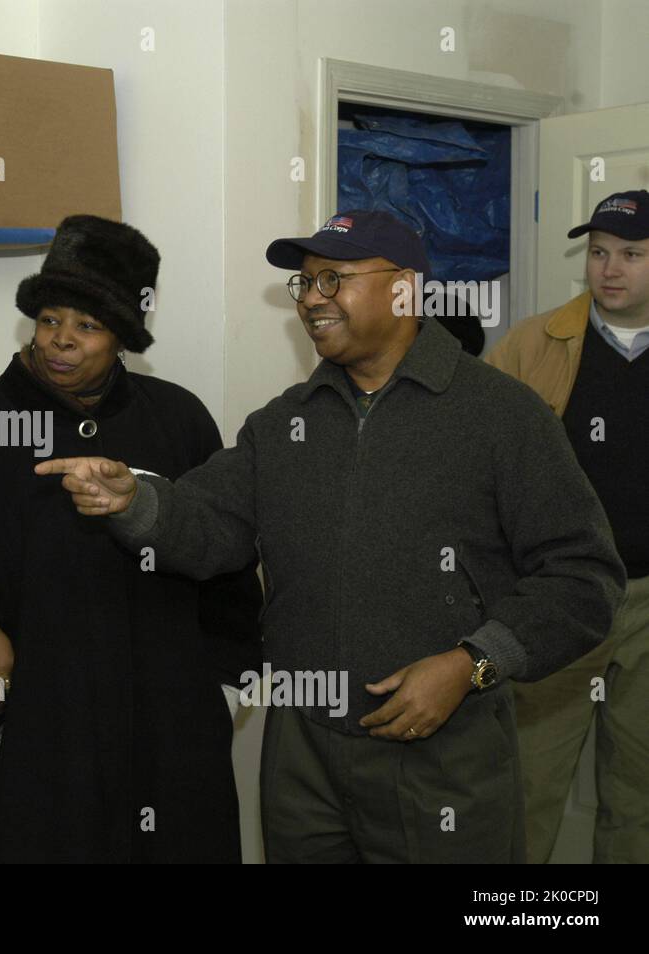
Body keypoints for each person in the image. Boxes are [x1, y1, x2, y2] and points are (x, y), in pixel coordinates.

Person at [37, 210, 626, 863]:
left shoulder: (501, 416)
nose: (312, 300)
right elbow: (211, 526)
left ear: (404, 288)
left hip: (444, 754)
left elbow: (583, 576)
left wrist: (471, 664)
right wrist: (135, 501)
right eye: (305, 283)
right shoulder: (286, 422)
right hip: (302, 754)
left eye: (333, 279)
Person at [0, 215, 263, 863]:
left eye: (87, 327)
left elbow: (224, 551)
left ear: (123, 337)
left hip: (162, 745)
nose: (61, 342)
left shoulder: (179, 420)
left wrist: (221, 681)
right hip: (21, 738)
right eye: (50, 319)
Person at [486, 190, 649, 863]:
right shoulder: (533, 342)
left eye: (632, 255)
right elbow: (475, 461)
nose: (609, 269)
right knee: (528, 786)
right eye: (599, 252)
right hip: (562, 599)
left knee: (638, 793)